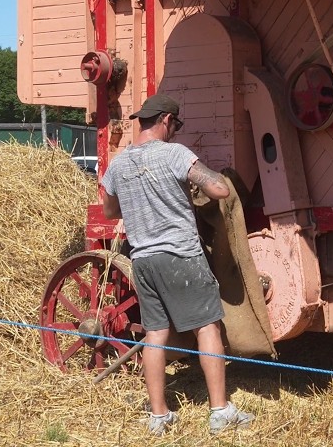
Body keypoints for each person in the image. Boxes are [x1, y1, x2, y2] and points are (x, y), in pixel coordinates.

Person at [101, 94, 255, 436]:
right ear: (167, 120)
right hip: (181, 255)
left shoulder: (119, 164)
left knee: (156, 333)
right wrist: (203, 177)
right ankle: (220, 412)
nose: (176, 130)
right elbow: (218, 190)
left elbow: (110, 212)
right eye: (176, 125)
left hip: (142, 260)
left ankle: (159, 416)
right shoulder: (175, 154)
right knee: (208, 328)